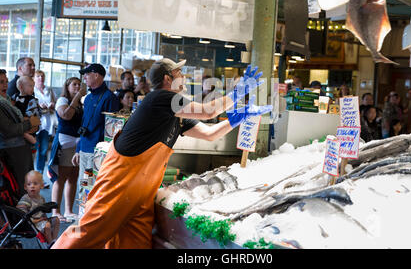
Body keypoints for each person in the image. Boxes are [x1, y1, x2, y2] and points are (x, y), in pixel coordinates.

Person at [52, 59, 271, 249]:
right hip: (119, 184)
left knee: (133, 243)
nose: (183, 77)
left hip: (142, 193)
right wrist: (238, 92)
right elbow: (208, 111)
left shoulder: (176, 112)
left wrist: (238, 118)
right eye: (179, 73)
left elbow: (210, 134)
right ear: (168, 78)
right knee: (87, 234)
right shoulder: (161, 98)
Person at [72, 63, 120, 201]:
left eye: (87, 74)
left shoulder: (109, 98)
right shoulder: (87, 98)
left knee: (95, 188)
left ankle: (91, 218)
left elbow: (112, 129)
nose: (84, 78)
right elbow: (84, 124)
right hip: (85, 150)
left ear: (97, 75)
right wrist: (78, 149)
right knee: (84, 184)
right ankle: (83, 216)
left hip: (98, 153)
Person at [48, 77, 85, 222]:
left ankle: (69, 210)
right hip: (64, 143)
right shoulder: (62, 100)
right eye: (74, 84)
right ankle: (55, 211)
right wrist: (76, 97)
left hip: (77, 144)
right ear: (67, 86)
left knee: (73, 178)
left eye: (79, 84)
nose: (77, 87)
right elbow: (66, 116)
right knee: (60, 178)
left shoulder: (81, 103)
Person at [0, 69, 40, 197]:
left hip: (20, 149)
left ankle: (24, 215)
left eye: (6, 81)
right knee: (21, 189)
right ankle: (20, 216)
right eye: (1, 82)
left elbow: (34, 124)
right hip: (12, 151)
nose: (5, 85)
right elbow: (9, 130)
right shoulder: (5, 103)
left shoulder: (8, 101)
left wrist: (31, 124)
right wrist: (29, 123)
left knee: (27, 186)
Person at [16, 170, 60, 244]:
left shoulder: (41, 198)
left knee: (56, 220)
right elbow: (21, 214)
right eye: (29, 184)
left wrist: (44, 218)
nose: (32, 186)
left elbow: (43, 211)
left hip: (41, 221)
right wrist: (37, 220)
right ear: (25, 187)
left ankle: (54, 240)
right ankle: (50, 244)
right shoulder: (25, 199)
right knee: (47, 225)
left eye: (35, 184)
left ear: (42, 186)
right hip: (31, 223)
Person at [33, 70, 57, 177]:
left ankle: (39, 176)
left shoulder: (49, 90)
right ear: (34, 78)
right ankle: (30, 177)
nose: (40, 78)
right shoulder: (32, 90)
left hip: (47, 125)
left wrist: (52, 104)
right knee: (33, 152)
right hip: (35, 125)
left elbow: (57, 103)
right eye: (38, 76)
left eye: (42, 76)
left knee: (43, 151)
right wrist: (38, 105)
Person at [14, 76, 41, 147]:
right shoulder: (15, 97)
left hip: (28, 120)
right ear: (21, 87)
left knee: (27, 134)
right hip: (19, 121)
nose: (32, 88)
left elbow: (33, 111)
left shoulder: (32, 99)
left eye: (33, 86)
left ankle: (33, 142)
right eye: (30, 86)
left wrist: (25, 118)